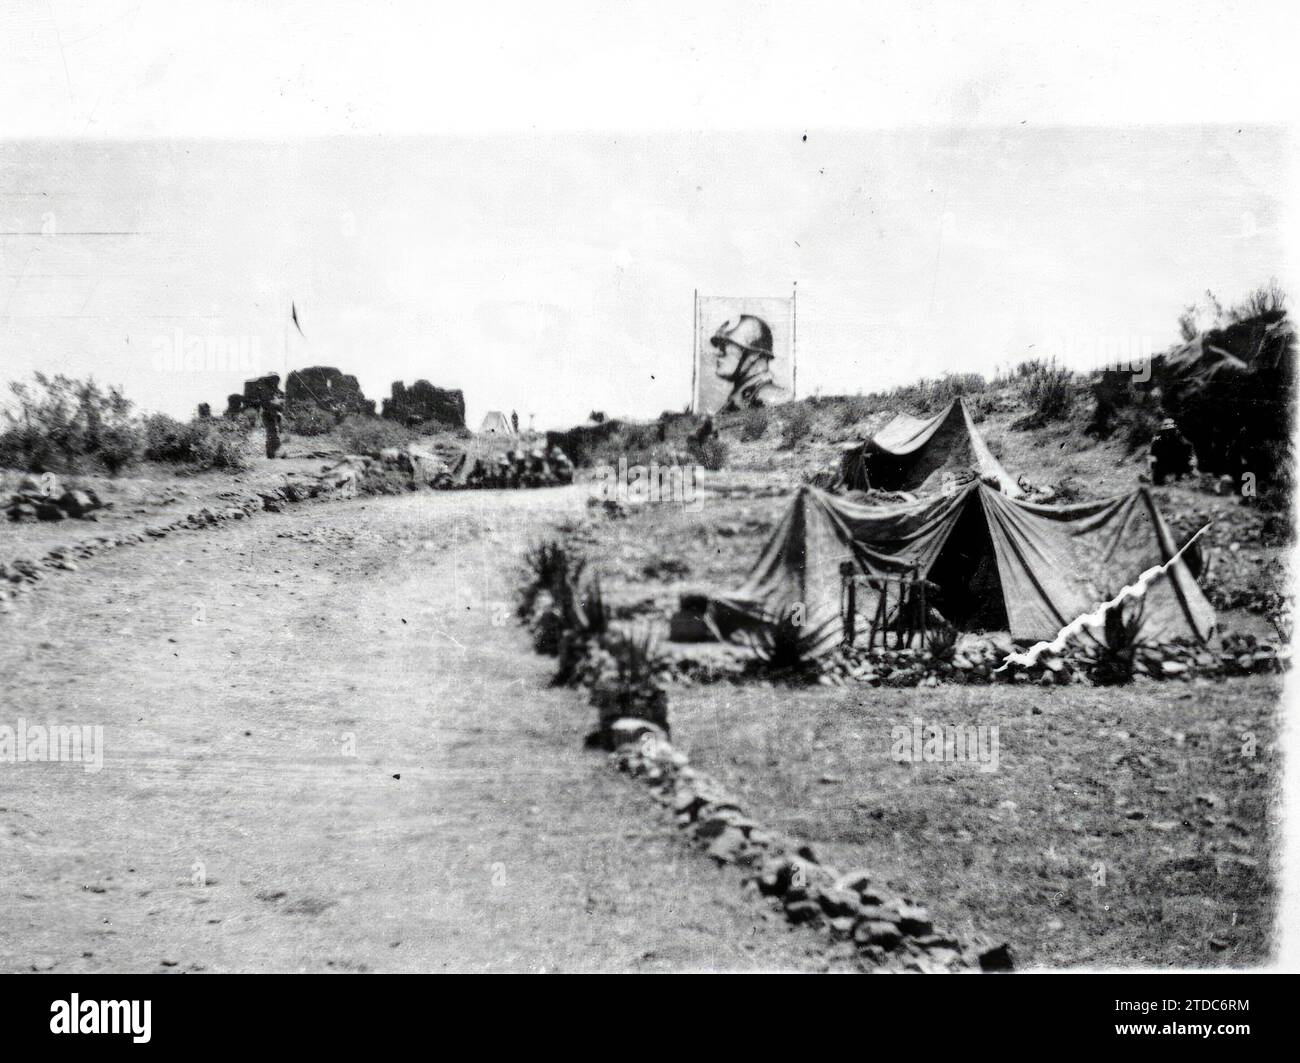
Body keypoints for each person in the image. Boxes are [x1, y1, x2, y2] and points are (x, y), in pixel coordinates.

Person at [710, 315, 786, 412]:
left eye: (725, 346)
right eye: (719, 346)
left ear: (754, 355)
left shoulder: (770, 398)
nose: (718, 353)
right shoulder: (741, 399)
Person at [1149, 417, 1196, 485]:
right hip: (1163, 462)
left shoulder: (1179, 437)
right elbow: (1153, 452)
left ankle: (1180, 479)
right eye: (1167, 430)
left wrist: (1190, 461)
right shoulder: (1158, 437)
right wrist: (1152, 467)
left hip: (1177, 462)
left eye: (1171, 430)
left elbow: (1188, 448)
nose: (1169, 432)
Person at [261, 392, 285, 459]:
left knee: (271, 437)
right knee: (273, 438)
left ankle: (271, 454)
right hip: (271, 422)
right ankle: (272, 454)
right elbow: (281, 409)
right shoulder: (273, 405)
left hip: (270, 423)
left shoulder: (269, 406)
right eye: (276, 397)